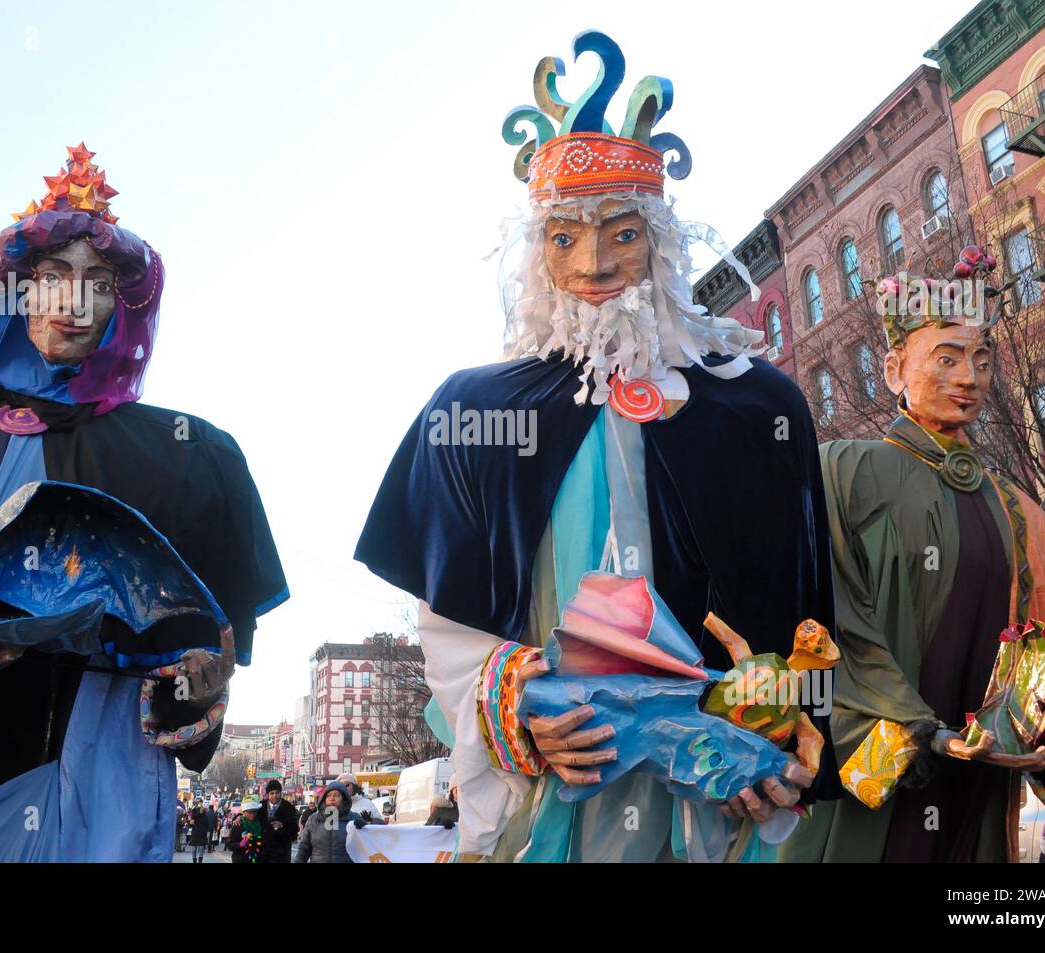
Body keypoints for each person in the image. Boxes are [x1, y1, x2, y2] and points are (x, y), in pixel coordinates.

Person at [355, 31, 834, 863]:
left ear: (659, 241)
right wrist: (516, 703)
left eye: (621, 233)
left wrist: (794, 726)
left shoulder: (758, 407)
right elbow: (449, 619)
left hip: (715, 796)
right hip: (557, 790)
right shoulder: (471, 410)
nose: (594, 263)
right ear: (536, 254)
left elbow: (807, 609)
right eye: (565, 237)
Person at [0, 144, 289, 862]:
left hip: (100, 802)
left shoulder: (191, 458)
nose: (74, 302)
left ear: (123, 302)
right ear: (16, 291)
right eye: (52, 277)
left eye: (98, 281)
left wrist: (196, 691)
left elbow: (202, 658)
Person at [781, 256, 1045, 862]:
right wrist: (921, 733)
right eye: (946, 358)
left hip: (979, 791)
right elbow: (824, 623)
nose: (969, 378)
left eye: (981, 360)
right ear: (895, 369)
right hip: (877, 781)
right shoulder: (843, 469)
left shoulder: (1018, 508)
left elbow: (1037, 644)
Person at [293, 781, 362, 863]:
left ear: (344, 799)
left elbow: (369, 842)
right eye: (328, 795)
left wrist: (366, 825)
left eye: (337, 795)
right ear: (324, 798)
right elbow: (304, 847)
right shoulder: (313, 819)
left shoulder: (354, 818)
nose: (332, 798)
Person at [260, 779, 299, 863]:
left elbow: (294, 829)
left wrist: (283, 825)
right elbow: (248, 814)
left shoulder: (289, 807)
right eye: (272, 793)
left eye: (277, 793)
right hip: (264, 852)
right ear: (267, 795)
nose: (275, 795)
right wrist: (238, 817)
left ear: (281, 793)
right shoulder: (261, 806)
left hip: (282, 852)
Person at [229, 795, 266, 863]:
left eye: (254, 811)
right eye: (249, 812)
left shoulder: (261, 824)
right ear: (244, 812)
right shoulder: (238, 825)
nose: (252, 814)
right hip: (240, 860)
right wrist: (240, 844)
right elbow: (229, 845)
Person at [187, 798, 212, 863]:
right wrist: (190, 821)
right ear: (198, 810)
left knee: (201, 848)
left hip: (202, 834)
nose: (201, 810)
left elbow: (207, 825)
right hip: (195, 833)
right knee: (194, 849)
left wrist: (208, 833)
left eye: (202, 809)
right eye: (200, 809)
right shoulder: (194, 815)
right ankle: (194, 861)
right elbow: (190, 824)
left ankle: (200, 861)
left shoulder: (205, 816)